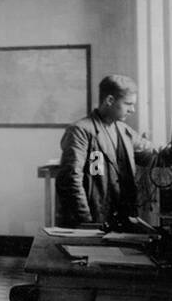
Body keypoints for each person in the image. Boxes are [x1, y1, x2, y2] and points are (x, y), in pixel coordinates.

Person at [55, 74, 159, 229]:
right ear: (110, 100)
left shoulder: (123, 131)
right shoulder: (80, 131)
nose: (132, 110)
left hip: (119, 219)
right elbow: (70, 180)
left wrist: (171, 152)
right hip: (92, 220)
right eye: (128, 104)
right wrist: (86, 222)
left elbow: (150, 155)